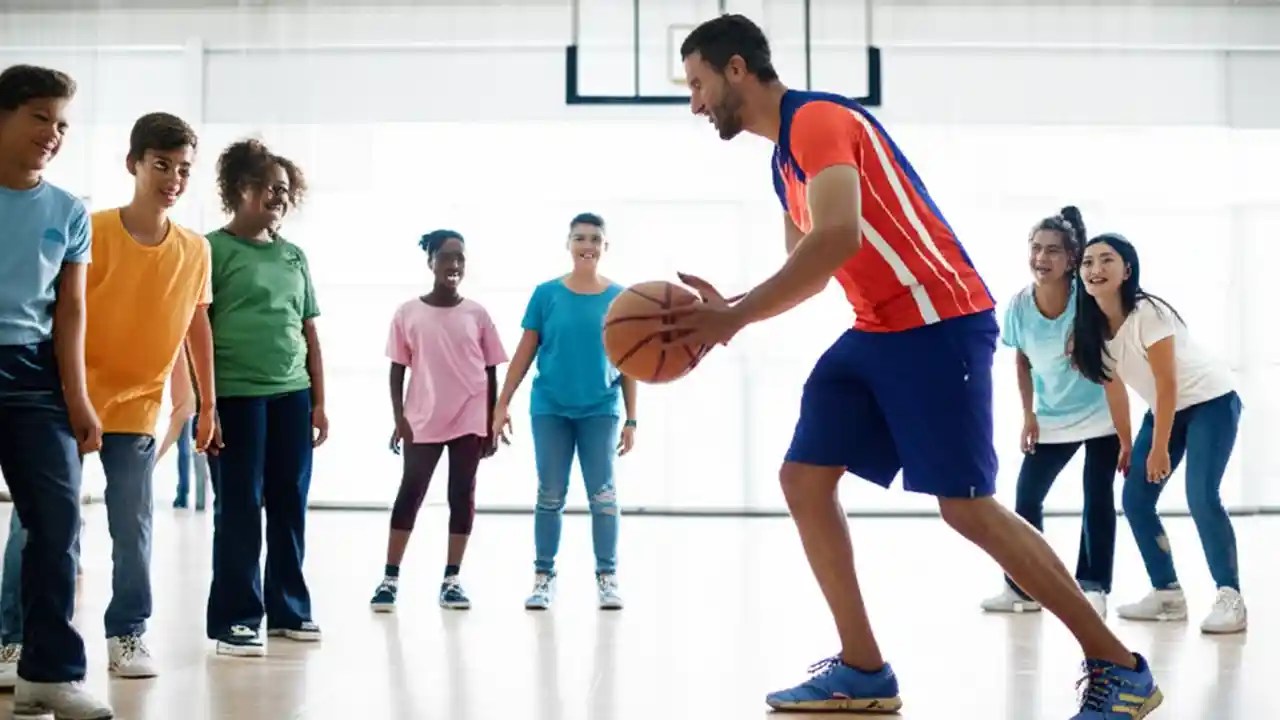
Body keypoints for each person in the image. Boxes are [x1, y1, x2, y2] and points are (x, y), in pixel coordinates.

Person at [665, 14, 1161, 718]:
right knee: (804, 478)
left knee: (965, 507)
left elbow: (837, 235)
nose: (695, 102)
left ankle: (1118, 664)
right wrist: (734, 308)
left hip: (939, 321)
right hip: (876, 329)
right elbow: (808, 269)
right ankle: (864, 669)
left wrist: (732, 319)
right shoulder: (783, 164)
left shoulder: (817, 122)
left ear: (736, 69)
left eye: (698, 83)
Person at [0, 110, 218, 682]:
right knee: (41, 522)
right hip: (66, 397)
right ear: (134, 165)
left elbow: (196, 326)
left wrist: (202, 402)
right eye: (161, 166)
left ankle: (128, 633)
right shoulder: (91, 227)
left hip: (139, 404)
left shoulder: (196, 250)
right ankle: (13, 638)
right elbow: (59, 309)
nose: (173, 179)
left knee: (133, 523)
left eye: (183, 170)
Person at [0, 63, 113, 719]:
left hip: (36, 374)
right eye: (40, 116)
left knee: (58, 521)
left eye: (63, 122)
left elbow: (70, 313)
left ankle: (49, 673)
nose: (53, 132)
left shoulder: (69, 211)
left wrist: (79, 398)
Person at [1072, 233, 1246, 635]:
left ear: (1127, 269)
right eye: (1087, 262)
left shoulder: (1148, 312)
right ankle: (1167, 593)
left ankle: (1231, 597)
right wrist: (1129, 443)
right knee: (1135, 499)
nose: (1095, 269)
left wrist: (1161, 447)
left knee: (1201, 496)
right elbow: (1114, 390)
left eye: (1106, 260)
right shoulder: (1093, 328)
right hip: (1167, 410)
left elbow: (1167, 384)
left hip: (1211, 401)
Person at [205, 138, 327, 657]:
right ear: (239, 187)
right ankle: (235, 618)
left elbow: (309, 330)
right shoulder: (210, 249)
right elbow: (196, 333)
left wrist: (320, 401)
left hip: (291, 396)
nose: (278, 196)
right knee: (238, 508)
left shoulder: (294, 255)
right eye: (268, 186)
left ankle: (289, 610)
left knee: (288, 505)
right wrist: (202, 406)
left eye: (284, 188)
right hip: (235, 397)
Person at [492, 213, 638, 611]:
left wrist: (632, 418)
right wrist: (502, 402)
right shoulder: (546, 294)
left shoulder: (621, 299)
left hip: (600, 410)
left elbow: (629, 361)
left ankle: (607, 577)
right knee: (550, 494)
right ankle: (543, 578)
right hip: (550, 408)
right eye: (579, 238)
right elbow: (525, 352)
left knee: (603, 496)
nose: (587, 245)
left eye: (594, 238)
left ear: (606, 246)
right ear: (568, 243)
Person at [981, 206, 1120, 618]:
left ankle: (1094, 587)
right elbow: (1020, 360)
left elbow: (1118, 333)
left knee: (1097, 498)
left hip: (1100, 417)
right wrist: (1028, 415)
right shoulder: (1020, 307)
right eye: (1036, 248)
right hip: (1052, 418)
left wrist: (1091, 342)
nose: (1042, 258)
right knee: (1026, 499)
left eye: (1053, 251)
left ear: (1071, 260)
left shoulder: (1088, 299)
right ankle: (1024, 587)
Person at [369, 230, 508, 613]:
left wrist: (491, 421)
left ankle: (451, 580)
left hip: (469, 416)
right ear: (430, 261)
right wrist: (399, 419)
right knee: (410, 493)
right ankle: (389, 579)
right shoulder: (407, 313)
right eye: (447, 257)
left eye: (460, 258)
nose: (455, 265)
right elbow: (398, 370)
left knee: (461, 495)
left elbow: (491, 370)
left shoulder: (477, 313)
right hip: (423, 418)